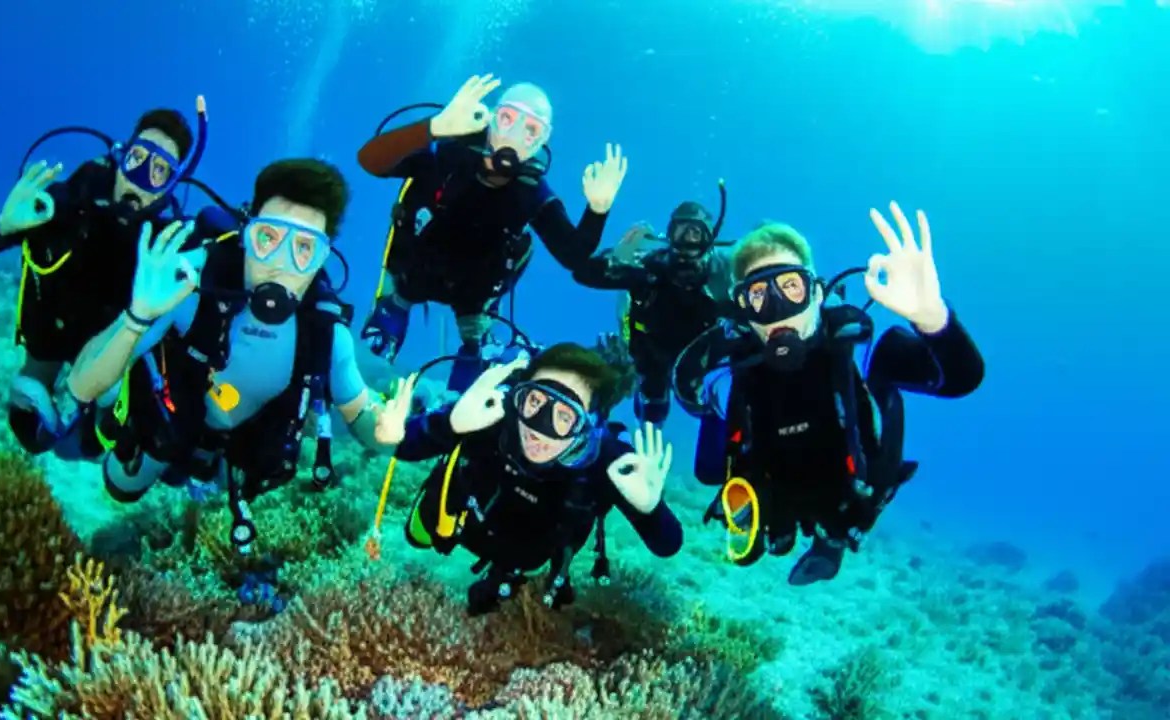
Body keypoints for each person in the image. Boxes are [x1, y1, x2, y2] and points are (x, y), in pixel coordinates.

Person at [66, 158, 400, 551]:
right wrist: (138, 316)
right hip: (165, 426)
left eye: (304, 248)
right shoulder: (190, 285)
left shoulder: (325, 334)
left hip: (234, 453)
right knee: (121, 487)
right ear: (245, 235)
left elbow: (362, 416)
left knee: (227, 503)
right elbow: (81, 385)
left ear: (322, 259)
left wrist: (387, 433)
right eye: (267, 238)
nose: (280, 264)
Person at [687, 202, 984, 585]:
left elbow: (962, 379)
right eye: (759, 295)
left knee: (838, 524)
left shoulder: (862, 350)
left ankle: (831, 543)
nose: (777, 310)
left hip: (849, 494)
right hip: (776, 495)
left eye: (790, 287)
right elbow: (708, 468)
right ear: (743, 308)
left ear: (816, 293)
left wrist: (933, 320)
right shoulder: (734, 372)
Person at [0, 100, 207, 457]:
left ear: (170, 185)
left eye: (160, 171)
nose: (141, 178)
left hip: (109, 347)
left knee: (100, 443)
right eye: (138, 159)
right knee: (28, 431)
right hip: (52, 333)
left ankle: (93, 420)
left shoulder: (166, 243)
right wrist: (2, 225)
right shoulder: (66, 203)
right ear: (121, 157)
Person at [357, 73, 629, 391]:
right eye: (507, 119)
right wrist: (432, 128)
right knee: (375, 354)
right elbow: (370, 161)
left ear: (542, 141)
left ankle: (475, 339)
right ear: (491, 117)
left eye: (531, 131)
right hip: (414, 271)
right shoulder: (446, 156)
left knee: (470, 382)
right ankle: (395, 304)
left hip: (474, 290)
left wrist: (598, 209)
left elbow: (573, 255)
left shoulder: (532, 191)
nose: (514, 136)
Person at [372, 342, 683, 615]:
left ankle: (502, 575)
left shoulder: (607, 462)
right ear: (518, 397)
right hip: (460, 518)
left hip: (527, 548)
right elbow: (406, 445)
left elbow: (667, 544)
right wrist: (440, 427)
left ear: (587, 425)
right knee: (417, 535)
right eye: (535, 403)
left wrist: (650, 509)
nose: (539, 429)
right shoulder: (490, 416)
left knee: (513, 574)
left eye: (564, 416)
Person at [573, 199, 735, 426]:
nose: (689, 241)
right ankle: (646, 452)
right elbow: (584, 273)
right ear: (669, 235)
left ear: (711, 236)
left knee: (717, 402)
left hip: (703, 357)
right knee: (652, 408)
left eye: (697, 233)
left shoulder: (725, 271)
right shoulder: (649, 268)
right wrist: (622, 253)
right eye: (682, 231)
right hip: (653, 355)